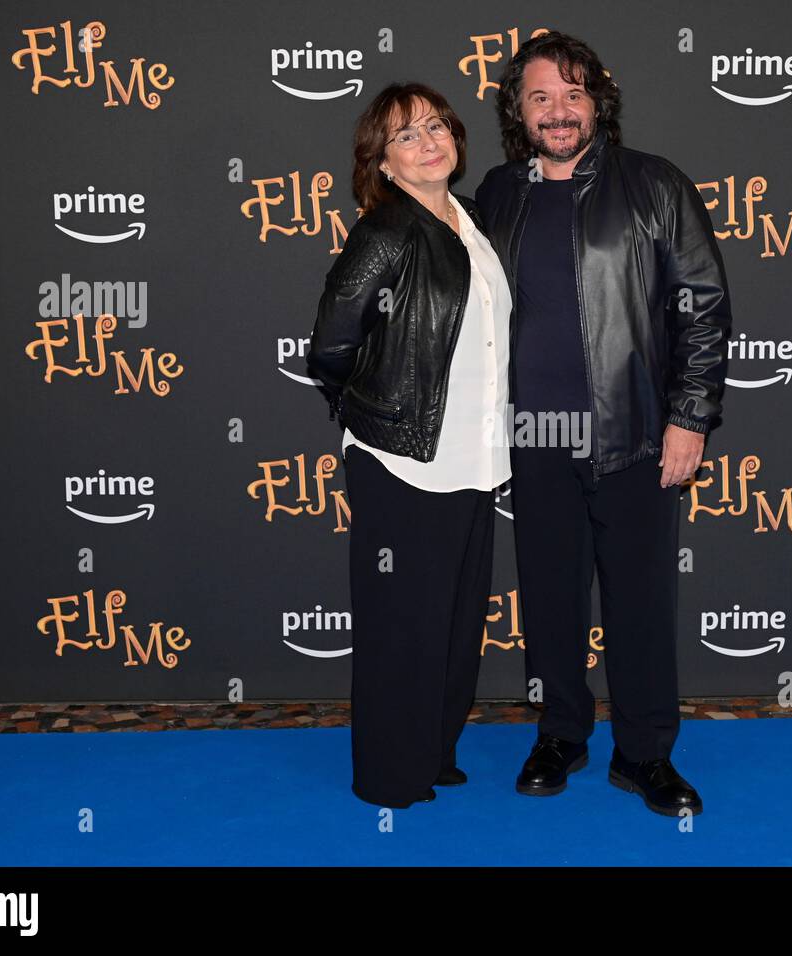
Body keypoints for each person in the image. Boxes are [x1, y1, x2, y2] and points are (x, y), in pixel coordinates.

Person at [475, 32, 732, 816]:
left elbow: (704, 307)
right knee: (550, 600)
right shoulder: (495, 193)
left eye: (574, 94)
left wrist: (689, 416)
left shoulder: (654, 184)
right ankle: (560, 734)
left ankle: (645, 753)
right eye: (541, 96)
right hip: (535, 441)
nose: (559, 111)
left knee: (641, 605)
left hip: (634, 436)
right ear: (519, 111)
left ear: (598, 104)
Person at [307, 82, 512, 809]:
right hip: (400, 463)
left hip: (476, 462)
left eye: (435, 127)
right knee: (402, 629)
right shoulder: (385, 232)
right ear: (383, 162)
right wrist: (372, 416)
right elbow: (330, 345)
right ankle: (390, 775)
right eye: (405, 135)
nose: (427, 142)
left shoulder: (473, 221)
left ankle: (432, 751)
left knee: (455, 626)